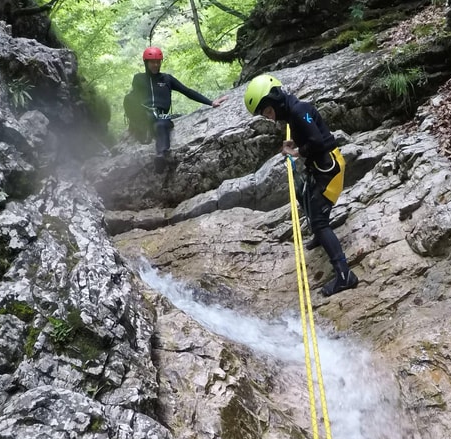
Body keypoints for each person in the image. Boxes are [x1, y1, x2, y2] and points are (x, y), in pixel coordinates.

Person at [244, 74, 359, 297]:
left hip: (329, 168)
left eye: (267, 111)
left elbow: (316, 140)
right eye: (264, 114)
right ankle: (319, 235)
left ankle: (345, 276)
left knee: (318, 221)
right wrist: (296, 142)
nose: (269, 117)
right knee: (302, 193)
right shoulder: (294, 112)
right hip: (321, 166)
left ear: (275, 99)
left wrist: (296, 152)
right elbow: (311, 134)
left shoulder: (298, 111)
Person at [127, 46, 226, 171]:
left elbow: (187, 91)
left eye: (158, 62)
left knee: (161, 124)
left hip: (161, 116)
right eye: (152, 62)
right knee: (129, 99)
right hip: (144, 114)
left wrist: (211, 102)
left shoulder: (167, 79)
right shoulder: (138, 78)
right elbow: (133, 99)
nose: (156, 65)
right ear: (146, 63)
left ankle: (160, 156)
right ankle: (140, 129)